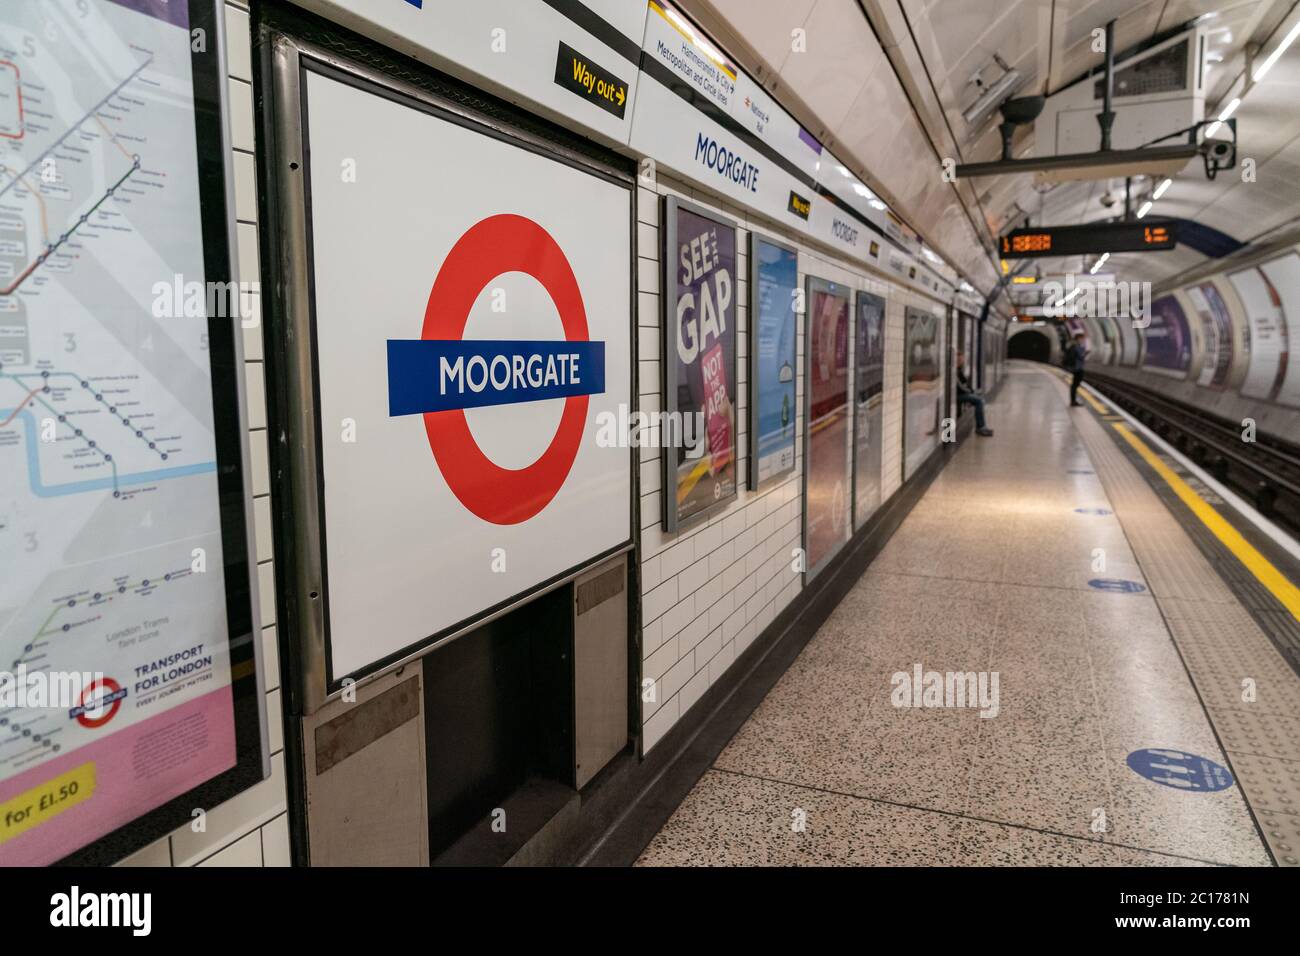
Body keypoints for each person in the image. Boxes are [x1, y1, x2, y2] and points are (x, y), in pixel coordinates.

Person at [955, 352, 993, 436]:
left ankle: (981, 426)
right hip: (957, 395)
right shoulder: (954, 371)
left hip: (961, 393)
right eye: (960, 359)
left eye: (962, 359)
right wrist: (971, 391)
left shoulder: (958, 369)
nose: (962, 361)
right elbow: (960, 387)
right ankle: (980, 427)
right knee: (979, 401)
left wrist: (972, 391)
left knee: (979, 398)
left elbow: (964, 383)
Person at [1064, 331, 1087, 406]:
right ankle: (1073, 401)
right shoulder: (1077, 346)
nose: (1083, 340)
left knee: (1074, 385)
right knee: (1075, 385)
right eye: (1082, 338)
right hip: (1078, 368)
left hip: (1075, 367)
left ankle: (1073, 401)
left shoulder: (1073, 345)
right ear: (1078, 339)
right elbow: (1081, 356)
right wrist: (1085, 352)